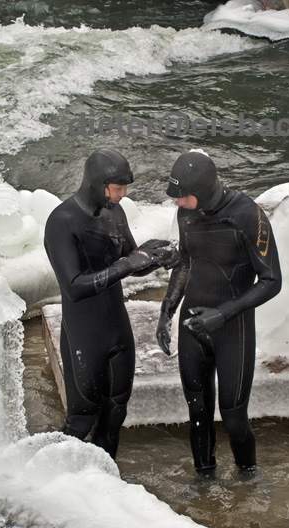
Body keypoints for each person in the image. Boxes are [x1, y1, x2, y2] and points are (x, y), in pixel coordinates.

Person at [155, 150, 281, 476]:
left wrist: (223, 313)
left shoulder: (248, 215)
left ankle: (248, 479)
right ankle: (204, 483)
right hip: (192, 326)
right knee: (197, 412)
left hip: (232, 328)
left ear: (204, 191)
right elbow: (185, 262)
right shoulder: (186, 214)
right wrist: (167, 311)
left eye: (184, 196)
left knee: (233, 417)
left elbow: (272, 281)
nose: (178, 203)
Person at [44, 148, 172, 459]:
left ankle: (105, 477)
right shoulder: (62, 221)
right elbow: (74, 287)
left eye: (125, 187)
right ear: (98, 184)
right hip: (85, 332)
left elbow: (129, 261)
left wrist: (155, 257)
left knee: (116, 410)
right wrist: (128, 263)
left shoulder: (115, 212)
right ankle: (51, 478)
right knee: (82, 418)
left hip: (117, 327)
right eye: (118, 188)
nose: (123, 195)